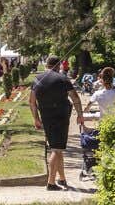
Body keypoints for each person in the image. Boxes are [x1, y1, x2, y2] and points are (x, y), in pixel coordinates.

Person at [29, 55, 84, 192]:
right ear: (59, 65)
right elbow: (75, 98)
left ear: (47, 64)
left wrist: (36, 118)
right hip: (61, 116)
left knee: (57, 147)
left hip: (46, 116)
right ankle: (51, 183)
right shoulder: (63, 79)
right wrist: (80, 115)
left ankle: (62, 178)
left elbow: (32, 101)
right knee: (56, 149)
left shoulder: (37, 79)